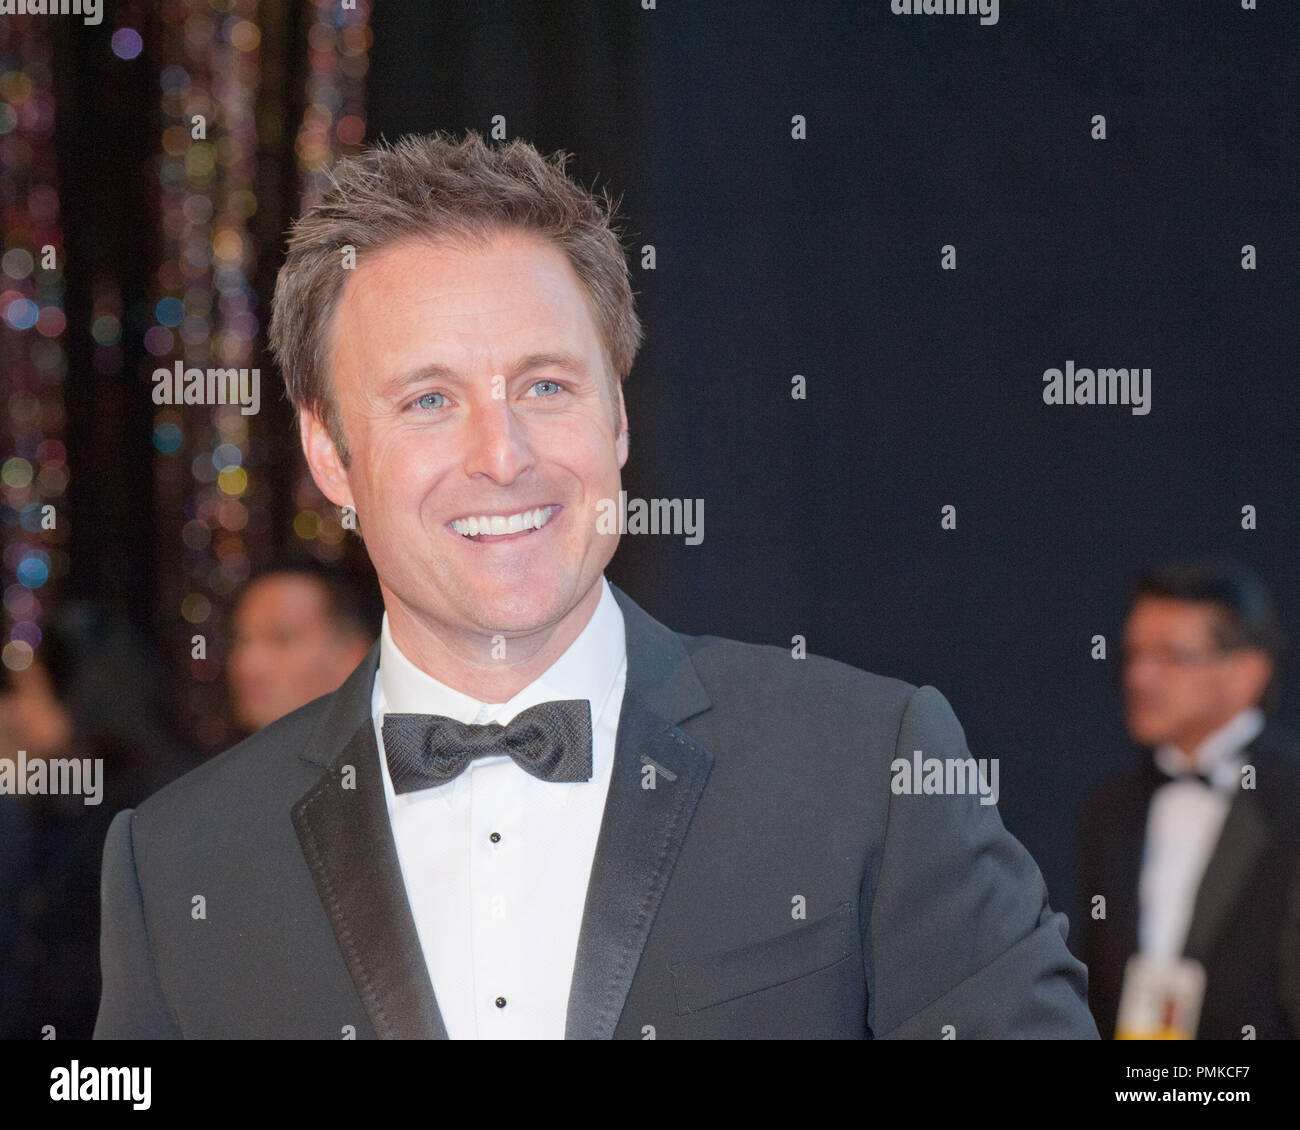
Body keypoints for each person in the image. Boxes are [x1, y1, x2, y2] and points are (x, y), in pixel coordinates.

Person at [94, 130, 1096, 1039]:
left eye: (545, 385)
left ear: (616, 414)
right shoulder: (180, 863)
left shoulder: (870, 771)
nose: (502, 454)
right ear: (329, 452)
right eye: (429, 398)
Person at [1079, 559, 1300, 1038]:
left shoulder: (1291, 802)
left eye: (1170, 656)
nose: (1139, 678)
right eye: (1133, 655)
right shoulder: (1109, 809)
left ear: (1246, 673)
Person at [0, 604, 190, 1038]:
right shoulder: (60, 801)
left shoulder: (145, 811)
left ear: (81, 695)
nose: (15, 712)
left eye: (32, 692)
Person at [227, 559, 378, 735]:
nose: (248, 666)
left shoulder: (392, 758)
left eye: (281, 638)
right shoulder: (225, 761)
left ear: (355, 657)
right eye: (241, 640)